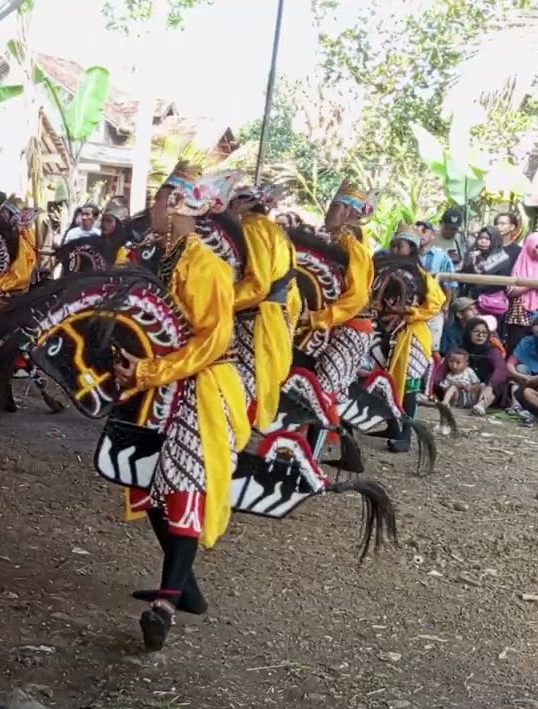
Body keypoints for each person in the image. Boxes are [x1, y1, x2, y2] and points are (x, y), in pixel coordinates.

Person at [111, 161, 249, 651]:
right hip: (157, 385)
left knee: (183, 484)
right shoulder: (156, 256)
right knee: (148, 482)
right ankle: (184, 586)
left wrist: (149, 371)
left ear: (176, 205)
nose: (152, 206)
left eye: (158, 198)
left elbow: (212, 341)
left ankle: (166, 605)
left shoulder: (205, 266)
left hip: (201, 388)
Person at [294, 178, 376, 404]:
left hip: (351, 327)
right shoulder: (332, 239)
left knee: (323, 392)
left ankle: (324, 424)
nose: (328, 212)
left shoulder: (354, 248)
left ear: (346, 211)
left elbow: (357, 297)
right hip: (330, 325)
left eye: (334, 206)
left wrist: (318, 318)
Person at [228, 185, 295, 429]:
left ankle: (234, 439)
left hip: (256, 316)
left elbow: (257, 284)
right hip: (274, 315)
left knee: (242, 384)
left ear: (238, 205)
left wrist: (221, 302)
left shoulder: (250, 227)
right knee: (254, 382)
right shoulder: (277, 230)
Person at [380, 222, 446, 453]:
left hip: (413, 337)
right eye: (394, 246)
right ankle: (392, 427)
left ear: (413, 249)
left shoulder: (422, 276)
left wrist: (410, 313)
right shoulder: (385, 272)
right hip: (387, 333)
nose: (396, 250)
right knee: (387, 383)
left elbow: (436, 303)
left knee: (409, 385)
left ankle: (406, 436)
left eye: (402, 246)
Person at [505, 231, 538, 352]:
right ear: (530, 246)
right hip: (520, 313)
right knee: (516, 345)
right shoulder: (520, 265)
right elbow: (511, 292)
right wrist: (531, 286)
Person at [415, 219, 456, 352]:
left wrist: (446, 305)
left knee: (433, 347)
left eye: (424, 231)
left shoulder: (442, 257)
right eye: (417, 231)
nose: (420, 234)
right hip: (413, 307)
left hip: (434, 307)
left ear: (433, 235)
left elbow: (451, 284)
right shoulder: (409, 254)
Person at [460, 225, 514, 321]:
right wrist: (472, 262)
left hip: (491, 304)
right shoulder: (472, 253)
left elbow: (502, 283)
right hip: (471, 303)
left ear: (495, 240)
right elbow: (463, 275)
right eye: (480, 238)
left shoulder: (502, 258)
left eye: (487, 239)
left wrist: (479, 286)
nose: (483, 241)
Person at [456, 317, 505, 414]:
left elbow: (501, 369)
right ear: (468, 332)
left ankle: (481, 405)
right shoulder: (459, 350)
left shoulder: (492, 350)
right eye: (476, 331)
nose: (480, 335)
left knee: (497, 383)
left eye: (484, 332)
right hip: (465, 387)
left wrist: (490, 385)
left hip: (486, 387)